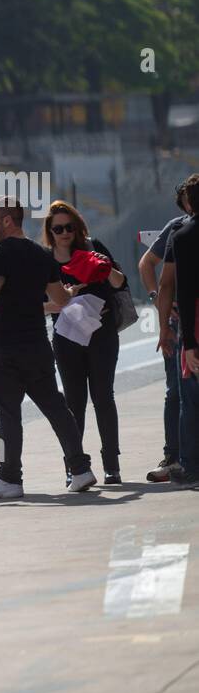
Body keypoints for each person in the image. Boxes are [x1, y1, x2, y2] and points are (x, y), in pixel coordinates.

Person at [0, 198, 95, 498]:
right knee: (57, 409)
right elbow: (61, 299)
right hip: (38, 348)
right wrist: (69, 291)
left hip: (6, 350)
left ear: (8, 221)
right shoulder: (42, 254)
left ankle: (10, 478)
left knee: (7, 417)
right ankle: (81, 469)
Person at [41, 200, 127, 485]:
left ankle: (112, 465)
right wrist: (64, 301)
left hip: (101, 333)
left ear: (77, 227)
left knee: (103, 397)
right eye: (58, 229)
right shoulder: (44, 261)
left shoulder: (92, 247)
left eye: (70, 227)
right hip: (67, 337)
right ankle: (75, 467)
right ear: (50, 231)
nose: (65, 233)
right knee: (74, 402)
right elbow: (36, 305)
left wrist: (105, 267)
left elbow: (120, 283)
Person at [137, 185, 187, 482]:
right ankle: (173, 456)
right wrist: (158, 301)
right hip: (180, 319)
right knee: (176, 390)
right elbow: (147, 263)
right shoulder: (177, 228)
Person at [155, 173, 199, 490]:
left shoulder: (181, 235)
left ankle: (191, 466)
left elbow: (175, 287)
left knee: (191, 400)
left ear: (188, 203)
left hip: (194, 322)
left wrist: (173, 333)